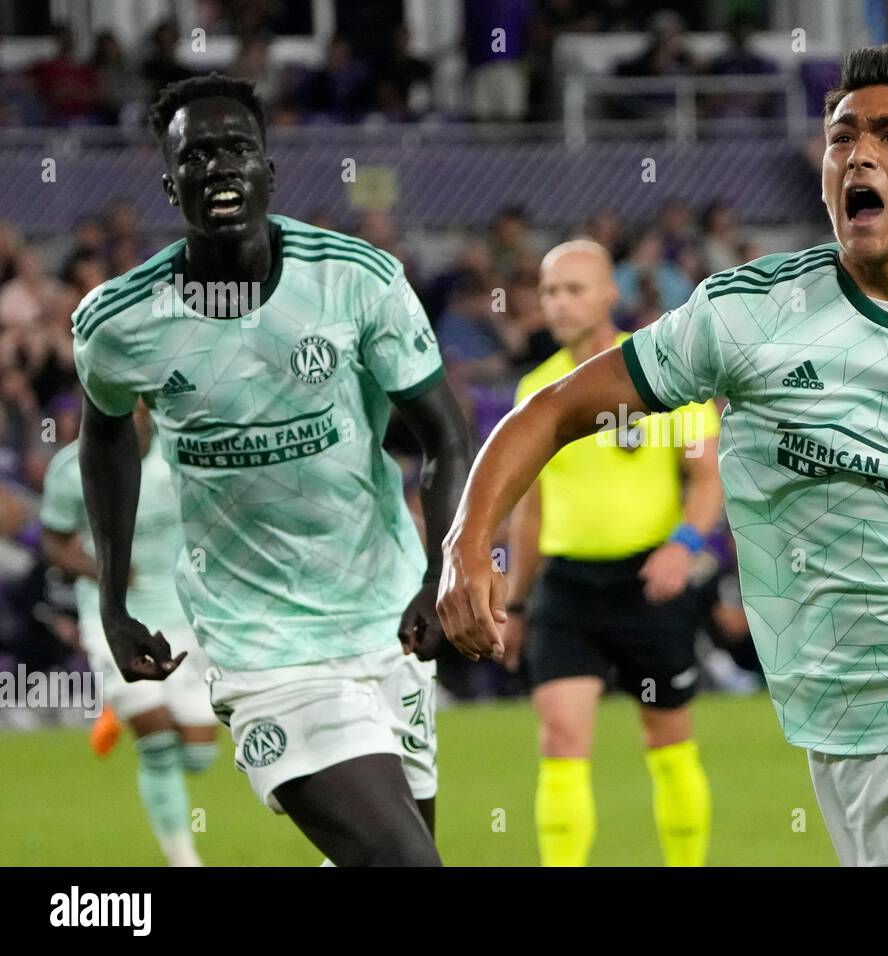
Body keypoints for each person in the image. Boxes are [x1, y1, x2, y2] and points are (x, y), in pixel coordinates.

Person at [438, 45, 888, 867]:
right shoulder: (744, 317)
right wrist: (468, 541)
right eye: (841, 137)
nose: (856, 153)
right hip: (858, 730)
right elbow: (549, 411)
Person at [72, 74, 474, 867]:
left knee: (403, 852)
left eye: (237, 151)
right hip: (262, 646)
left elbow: (448, 438)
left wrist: (442, 574)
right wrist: (112, 601)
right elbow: (106, 437)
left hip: (386, 619)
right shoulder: (120, 323)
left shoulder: (357, 281)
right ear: (169, 181)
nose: (219, 169)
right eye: (197, 157)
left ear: (269, 171)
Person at [507, 240, 723, 866]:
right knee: (561, 737)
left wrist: (684, 545)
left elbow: (707, 477)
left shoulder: (662, 371)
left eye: (575, 289)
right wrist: (517, 601)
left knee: (669, 739)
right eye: (550, 291)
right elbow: (532, 509)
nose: (561, 303)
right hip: (567, 588)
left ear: (609, 295)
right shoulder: (535, 388)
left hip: (649, 585)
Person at [40, 402, 216, 866]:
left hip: (182, 616)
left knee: (199, 758)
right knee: (158, 747)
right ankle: (184, 861)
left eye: (139, 417)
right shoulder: (72, 469)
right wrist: (99, 571)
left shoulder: (180, 459)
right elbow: (53, 540)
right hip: (112, 618)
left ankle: (115, 713)